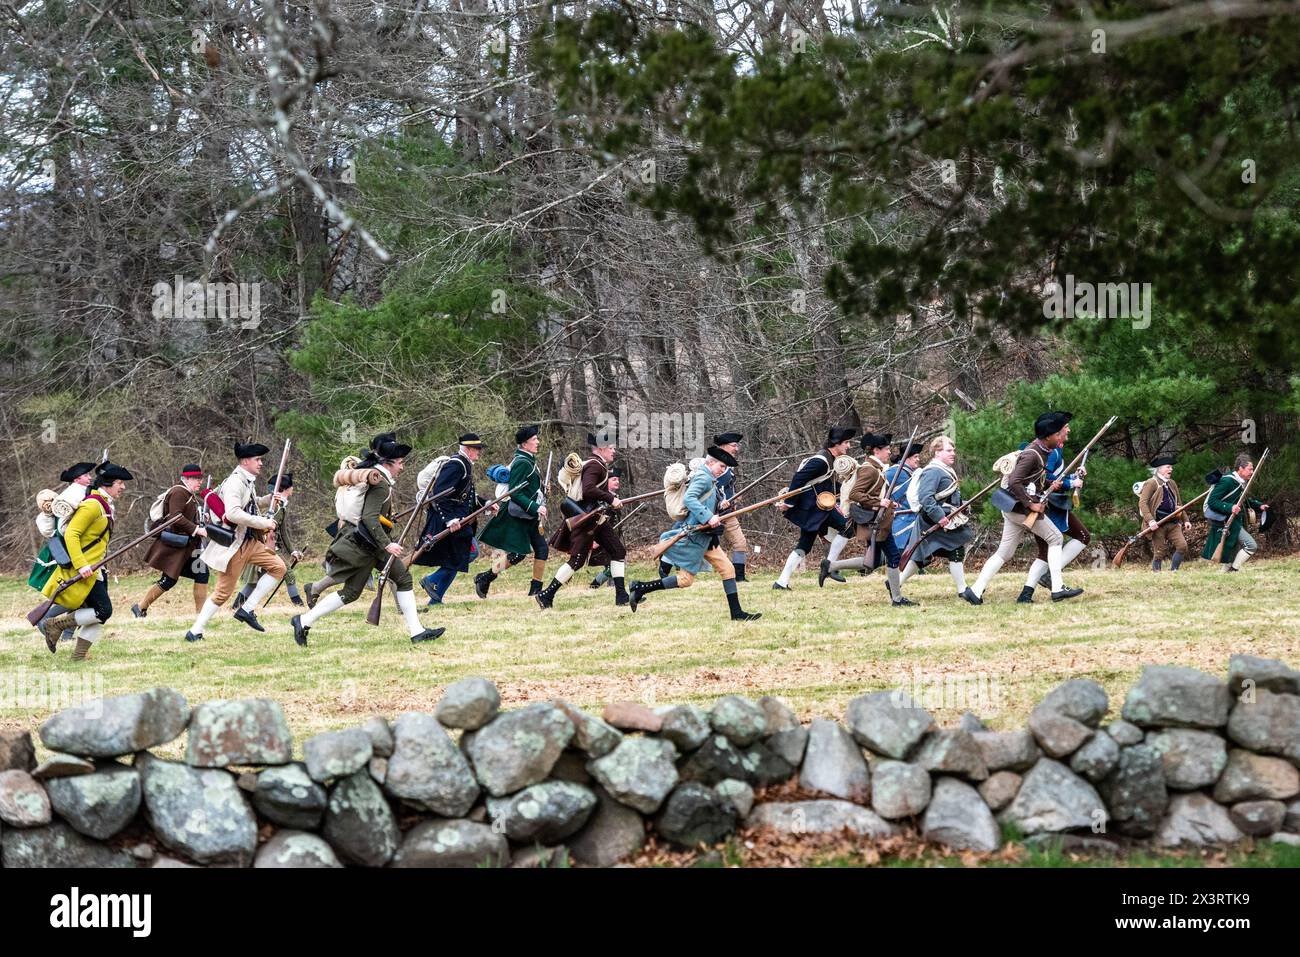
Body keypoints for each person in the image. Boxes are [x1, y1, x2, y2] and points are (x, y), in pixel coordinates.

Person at [291, 436, 443, 646]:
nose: (402, 466)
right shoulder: (380, 483)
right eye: (400, 462)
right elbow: (369, 517)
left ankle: (303, 620)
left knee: (356, 591)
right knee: (396, 581)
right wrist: (387, 543)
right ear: (389, 463)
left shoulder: (379, 478)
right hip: (370, 544)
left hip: (368, 544)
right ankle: (416, 631)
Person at [628, 446, 761, 621]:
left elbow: (702, 500)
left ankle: (736, 614)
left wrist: (719, 506)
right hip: (696, 536)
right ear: (711, 462)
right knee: (686, 580)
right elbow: (689, 499)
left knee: (727, 570)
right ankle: (640, 588)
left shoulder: (710, 478)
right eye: (721, 466)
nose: (723, 470)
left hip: (706, 537)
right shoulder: (704, 477)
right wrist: (708, 517)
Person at [963, 412, 1084, 604]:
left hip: (1014, 508)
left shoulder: (1041, 451)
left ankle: (975, 591)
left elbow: (1032, 481)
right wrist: (1031, 503)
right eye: (1060, 432)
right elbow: (1014, 481)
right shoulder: (1032, 454)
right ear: (1049, 436)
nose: (1064, 434)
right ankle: (1057, 588)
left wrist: (1052, 486)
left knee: (1004, 553)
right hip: (1021, 509)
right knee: (1056, 538)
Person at [184, 441, 287, 642]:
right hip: (234, 544)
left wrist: (268, 500)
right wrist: (264, 521)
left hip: (249, 541)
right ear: (246, 461)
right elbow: (233, 513)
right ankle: (195, 631)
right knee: (222, 593)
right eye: (258, 460)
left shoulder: (247, 481)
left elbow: (250, 504)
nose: (261, 463)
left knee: (278, 568)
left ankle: (247, 609)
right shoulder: (235, 482)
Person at [36, 463, 134, 661]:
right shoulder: (92, 505)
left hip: (97, 567)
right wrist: (81, 565)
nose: (123, 487)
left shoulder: (103, 504)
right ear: (107, 485)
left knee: (98, 613)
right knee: (103, 611)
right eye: (119, 483)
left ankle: (79, 657)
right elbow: (72, 534)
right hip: (87, 568)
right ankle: (55, 624)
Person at [819, 431, 915, 606]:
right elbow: (856, 494)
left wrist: (889, 504)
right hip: (874, 523)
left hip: (880, 522)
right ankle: (897, 599)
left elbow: (875, 494)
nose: (889, 453)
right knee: (892, 557)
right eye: (886, 449)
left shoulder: (876, 468)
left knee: (871, 563)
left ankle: (830, 566)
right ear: (876, 451)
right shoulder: (869, 470)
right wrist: (880, 502)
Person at [538, 433, 629, 608]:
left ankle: (622, 596)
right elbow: (588, 490)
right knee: (577, 560)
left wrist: (608, 499)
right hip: (587, 519)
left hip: (595, 519)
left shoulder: (596, 464)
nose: (614, 451)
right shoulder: (595, 466)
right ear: (601, 449)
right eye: (611, 448)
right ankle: (546, 595)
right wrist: (611, 499)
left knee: (618, 551)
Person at [772, 426, 857, 590]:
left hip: (819, 507)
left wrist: (849, 491)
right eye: (846, 442)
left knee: (805, 544)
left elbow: (828, 485)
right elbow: (798, 480)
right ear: (836, 444)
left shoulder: (830, 460)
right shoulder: (821, 461)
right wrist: (788, 504)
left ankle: (781, 582)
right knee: (847, 528)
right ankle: (829, 566)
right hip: (813, 508)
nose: (849, 446)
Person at [414, 434, 491, 606]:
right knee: (467, 554)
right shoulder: (456, 465)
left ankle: (435, 598)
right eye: (477, 449)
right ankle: (431, 580)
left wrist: (486, 503)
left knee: (459, 556)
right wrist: (449, 520)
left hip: (458, 518)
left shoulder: (464, 465)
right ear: (469, 450)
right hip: (448, 519)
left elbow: (467, 495)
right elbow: (440, 494)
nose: (479, 452)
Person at [897, 436, 976, 601]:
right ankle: (962, 590)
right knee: (929, 554)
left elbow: (948, 497)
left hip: (943, 518)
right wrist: (939, 517)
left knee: (925, 555)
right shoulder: (933, 471)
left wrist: (962, 505)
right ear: (937, 452)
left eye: (953, 450)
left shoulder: (944, 469)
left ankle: (895, 583)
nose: (953, 453)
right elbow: (926, 498)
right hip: (933, 520)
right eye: (948, 450)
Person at [29, 461, 102, 641]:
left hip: (68, 551)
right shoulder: (69, 499)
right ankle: (46, 620)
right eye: (86, 475)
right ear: (78, 479)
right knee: (70, 594)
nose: (89, 477)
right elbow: (62, 531)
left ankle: (67, 634)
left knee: (78, 595)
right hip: (65, 553)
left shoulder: (75, 496)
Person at [475, 425, 549, 599]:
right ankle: (485, 577)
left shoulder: (528, 459)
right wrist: (536, 507)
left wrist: (543, 489)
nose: (537, 442)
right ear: (524, 444)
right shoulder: (522, 462)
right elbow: (515, 492)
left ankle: (535, 589)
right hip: (519, 515)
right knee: (518, 554)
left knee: (541, 549)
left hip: (527, 515)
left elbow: (528, 487)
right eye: (534, 439)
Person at [1021, 419, 1090, 602]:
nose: (1069, 430)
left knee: (1044, 553)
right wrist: (1070, 483)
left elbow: (1056, 476)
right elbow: (1046, 478)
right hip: (1050, 503)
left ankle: (1025, 594)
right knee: (1083, 536)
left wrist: (1075, 476)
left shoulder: (1055, 449)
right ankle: (1052, 576)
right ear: (1056, 432)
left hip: (1050, 503)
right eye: (1066, 427)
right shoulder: (1052, 452)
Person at [132, 464, 210, 617]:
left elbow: (185, 516)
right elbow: (176, 518)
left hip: (188, 546)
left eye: (200, 478)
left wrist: (201, 519)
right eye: (195, 478)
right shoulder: (178, 492)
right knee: (169, 580)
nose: (199, 481)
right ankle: (140, 607)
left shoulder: (188, 494)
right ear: (186, 479)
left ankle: (201, 616)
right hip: (177, 546)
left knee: (202, 574)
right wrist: (196, 529)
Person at [233, 472, 305, 610]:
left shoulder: (281, 507)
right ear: (285, 488)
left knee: (253, 582)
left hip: (268, 547)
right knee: (288, 573)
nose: (293, 489)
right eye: (291, 487)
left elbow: (282, 532)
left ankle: (236, 606)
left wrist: (292, 551)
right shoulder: (273, 507)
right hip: (260, 546)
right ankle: (299, 605)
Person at [1202, 452, 1269, 572]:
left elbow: (1243, 499)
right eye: (1249, 469)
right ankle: (1233, 569)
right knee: (1251, 545)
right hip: (1227, 520)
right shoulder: (1227, 481)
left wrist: (1260, 506)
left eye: (1252, 469)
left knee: (1232, 550)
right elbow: (1212, 501)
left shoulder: (1239, 482)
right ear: (1240, 469)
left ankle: (1225, 572)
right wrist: (1230, 507)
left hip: (1234, 520)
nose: (1252, 472)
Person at [1138, 454, 1191, 571]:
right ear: (1159, 469)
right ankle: (1156, 574)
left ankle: (1174, 571)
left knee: (1182, 546)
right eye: (1168, 467)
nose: (1171, 469)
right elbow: (1143, 503)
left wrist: (1186, 520)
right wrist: (1151, 521)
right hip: (1158, 524)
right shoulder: (1151, 483)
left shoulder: (1172, 483)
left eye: (1171, 467)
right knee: (1159, 552)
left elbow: (1180, 505)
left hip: (1173, 523)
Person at [712, 431, 750, 581]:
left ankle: (739, 577)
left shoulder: (728, 463)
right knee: (694, 543)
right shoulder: (713, 463)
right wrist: (720, 501)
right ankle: (665, 567)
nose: (737, 449)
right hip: (711, 513)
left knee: (740, 542)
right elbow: (708, 487)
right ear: (724, 446)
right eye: (734, 445)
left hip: (728, 511)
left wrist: (734, 495)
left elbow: (725, 486)